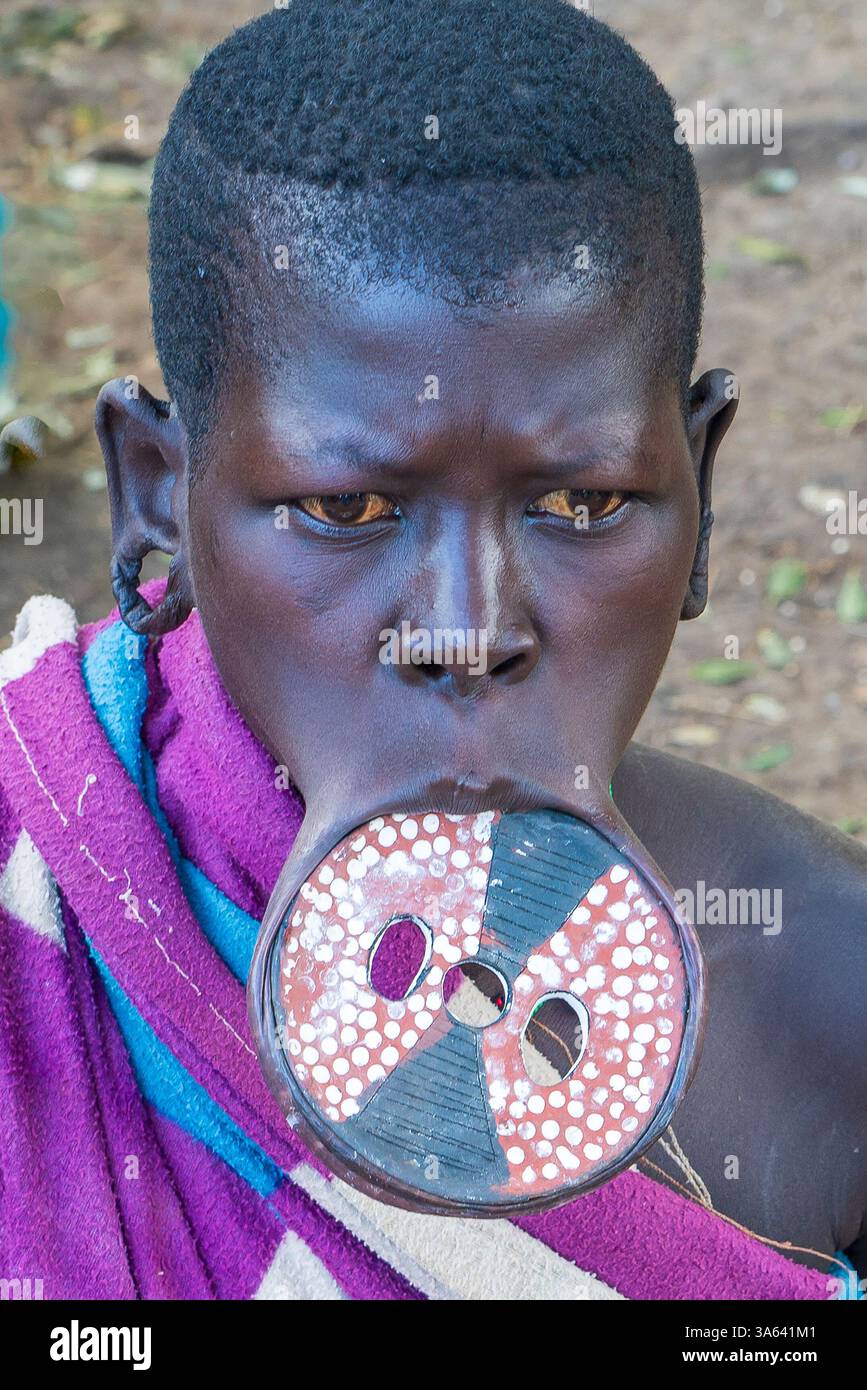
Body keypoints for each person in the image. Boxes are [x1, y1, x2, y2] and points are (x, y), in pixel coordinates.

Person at [0, 0, 863, 1301]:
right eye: (346, 509)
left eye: (579, 505)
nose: (469, 627)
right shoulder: (38, 919)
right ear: (155, 498)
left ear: (700, 501)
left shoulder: (832, 998)